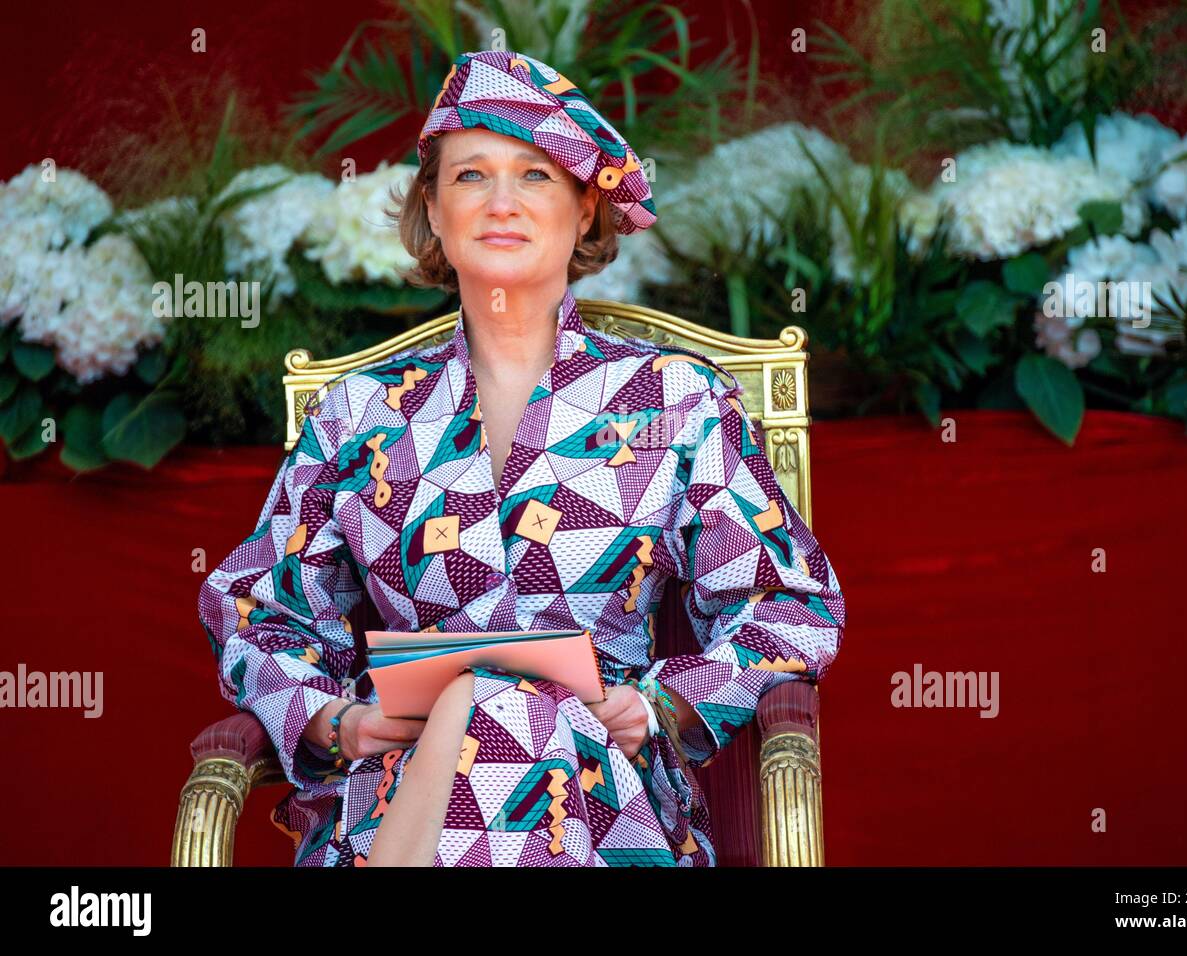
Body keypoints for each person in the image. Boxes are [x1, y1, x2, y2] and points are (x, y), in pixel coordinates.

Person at [197, 49, 845, 867]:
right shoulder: (361, 413)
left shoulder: (674, 400)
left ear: (584, 212)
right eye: (471, 176)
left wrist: (660, 706)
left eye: (535, 175)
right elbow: (258, 606)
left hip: (604, 803)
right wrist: (334, 721)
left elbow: (788, 607)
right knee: (477, 704)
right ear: (431, 210)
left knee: (509, 712)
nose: (501, 202)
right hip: (395, 794)